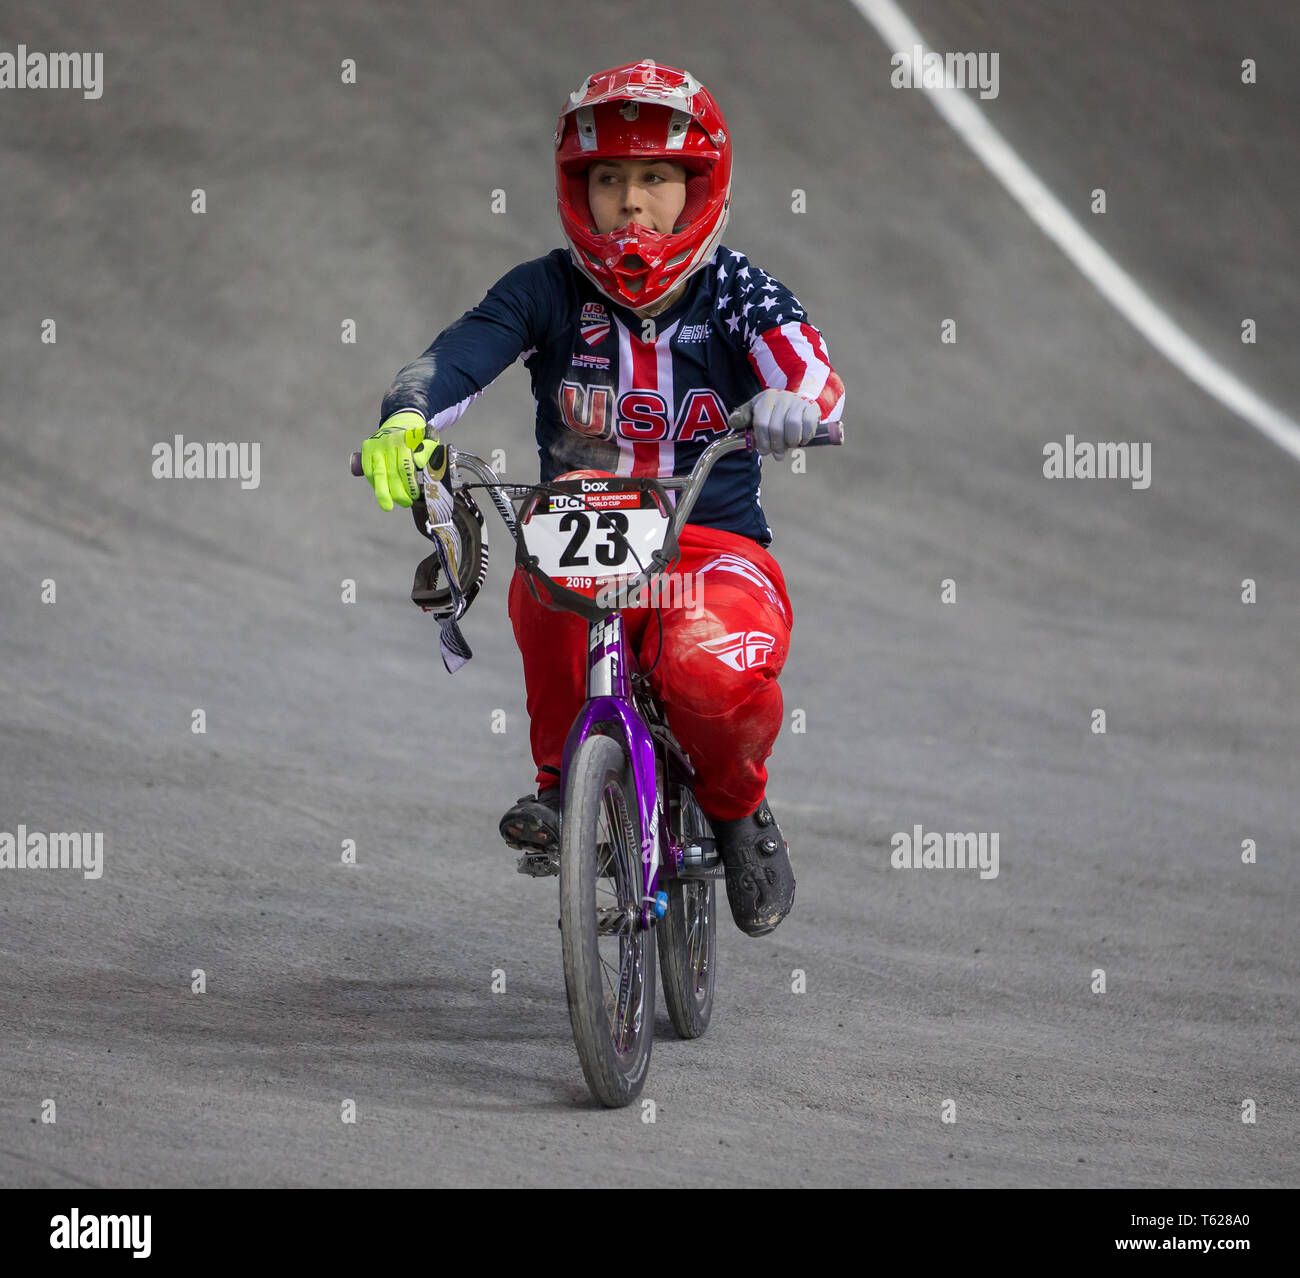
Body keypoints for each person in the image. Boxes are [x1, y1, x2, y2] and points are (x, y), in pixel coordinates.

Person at [361, 60, 845, 937]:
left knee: (708, 673)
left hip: (712, 547)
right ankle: (562, 787)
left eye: (656, 178)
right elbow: (460, 355)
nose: (631, 203)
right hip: (580, 525)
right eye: (609, 178)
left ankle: (740, 812)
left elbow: (808, 367)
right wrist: (406, 418)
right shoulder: (545, 289)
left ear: (698, 188)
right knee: (542, 582)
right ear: (576, 190)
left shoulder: (738, 291)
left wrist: (796, 405)